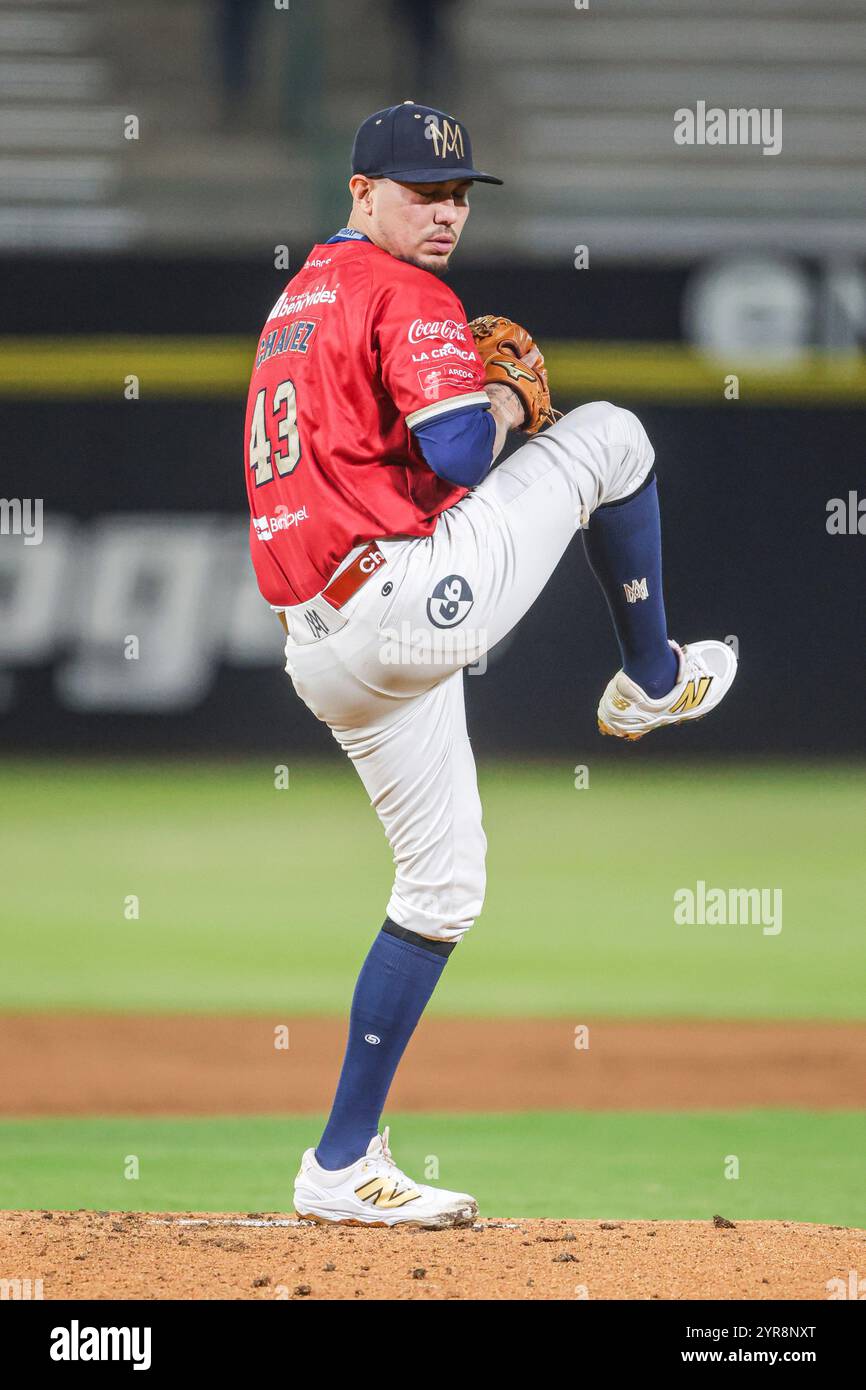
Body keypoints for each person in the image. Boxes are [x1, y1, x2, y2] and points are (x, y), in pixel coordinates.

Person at [242, 101, 737, 1229]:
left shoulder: (297, 298)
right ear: (360, 191)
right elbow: (463, 451)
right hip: (402, 602)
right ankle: (651, 679)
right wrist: (506, 392)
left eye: (459, 194)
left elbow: (372, 457)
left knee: (443, 885)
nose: (446, 212)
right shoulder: (403, 289)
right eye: (422, 191)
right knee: (611, 439)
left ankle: (337, 1164)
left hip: (324, 648)